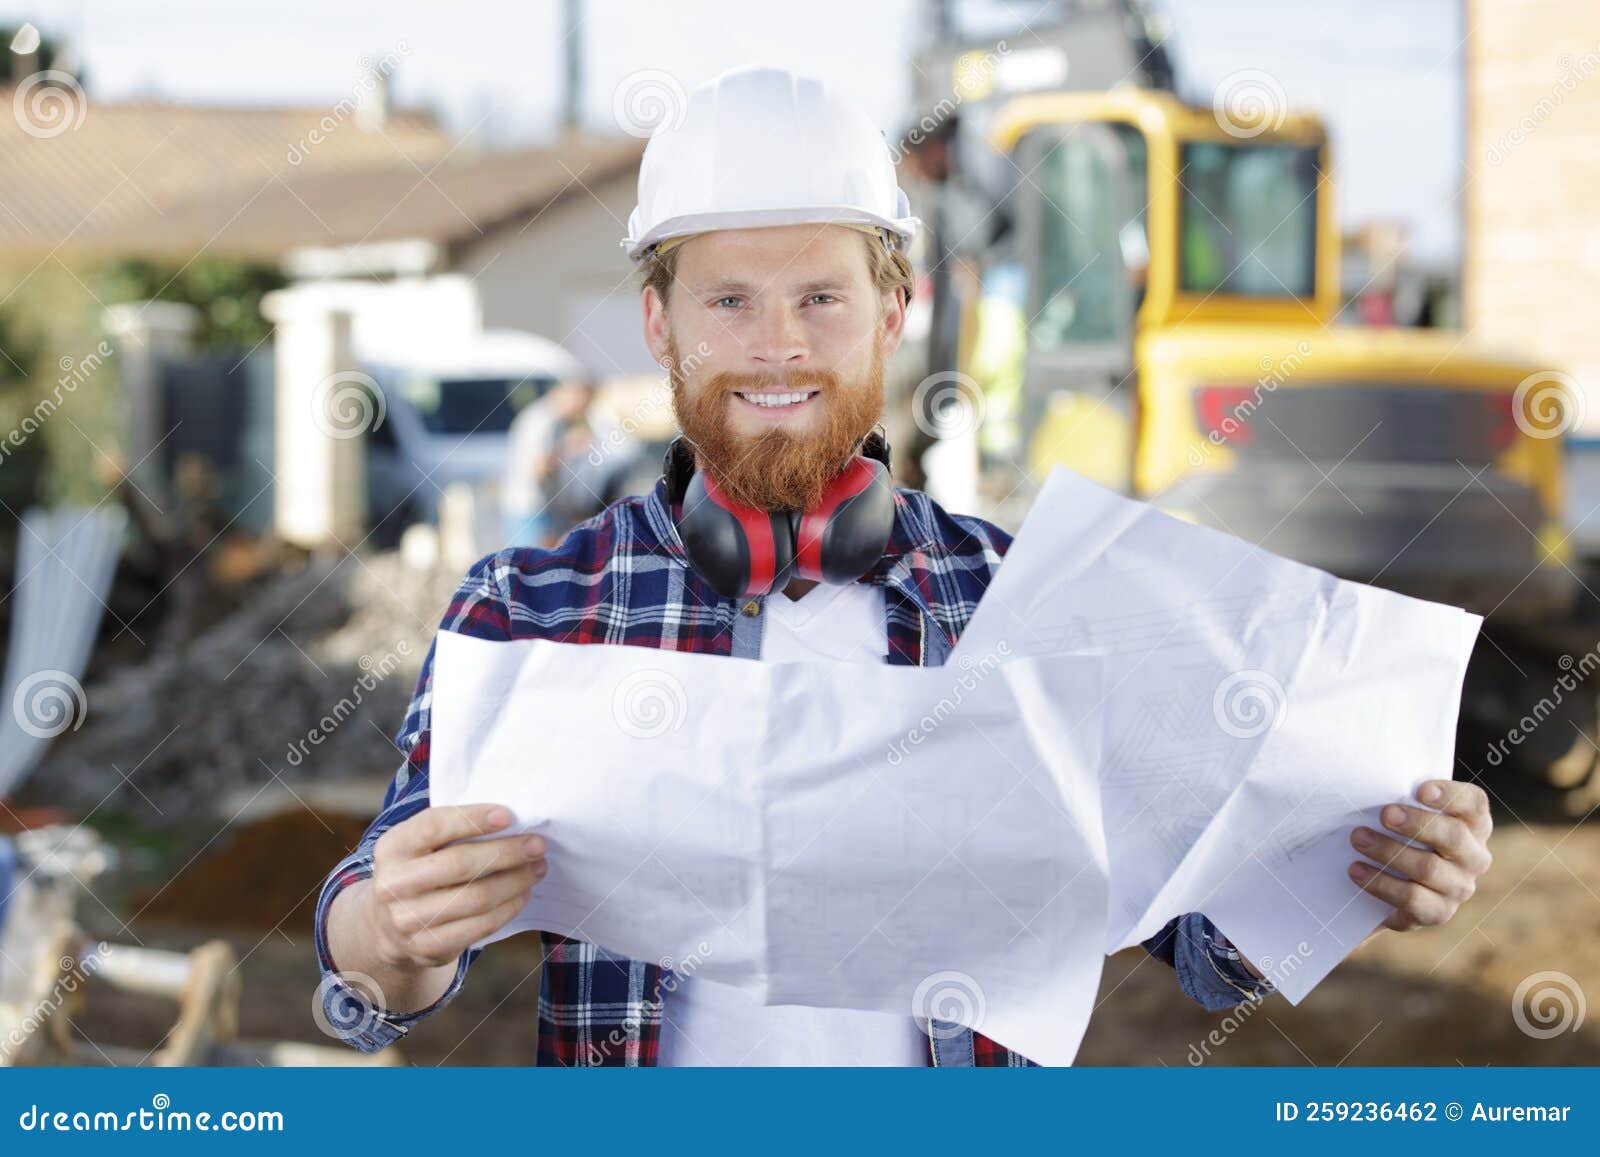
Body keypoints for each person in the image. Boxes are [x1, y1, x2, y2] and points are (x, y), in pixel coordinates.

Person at [313, 65, 1494, 1066]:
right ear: (659, 323)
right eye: (728, 298)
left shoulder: (1039, 606)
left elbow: (1200, 943)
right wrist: (397, 933)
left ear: (893, 312)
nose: (777, 342)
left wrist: (1374, 868)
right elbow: (370, 965)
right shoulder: (530, 613)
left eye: (821, 296)